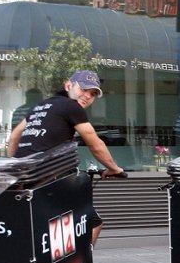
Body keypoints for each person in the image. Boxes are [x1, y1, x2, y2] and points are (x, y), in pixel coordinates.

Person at [8, 70, 124, 246]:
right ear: (68, 85)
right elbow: (95, 143)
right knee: (93, 223)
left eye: (92, 94)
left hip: (22, 180)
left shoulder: (42, 106)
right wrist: (115, 169)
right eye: (83, 89)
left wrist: (16, 164)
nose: (87, 96)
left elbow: (15, 136)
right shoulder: (72, 107)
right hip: (48, 179)